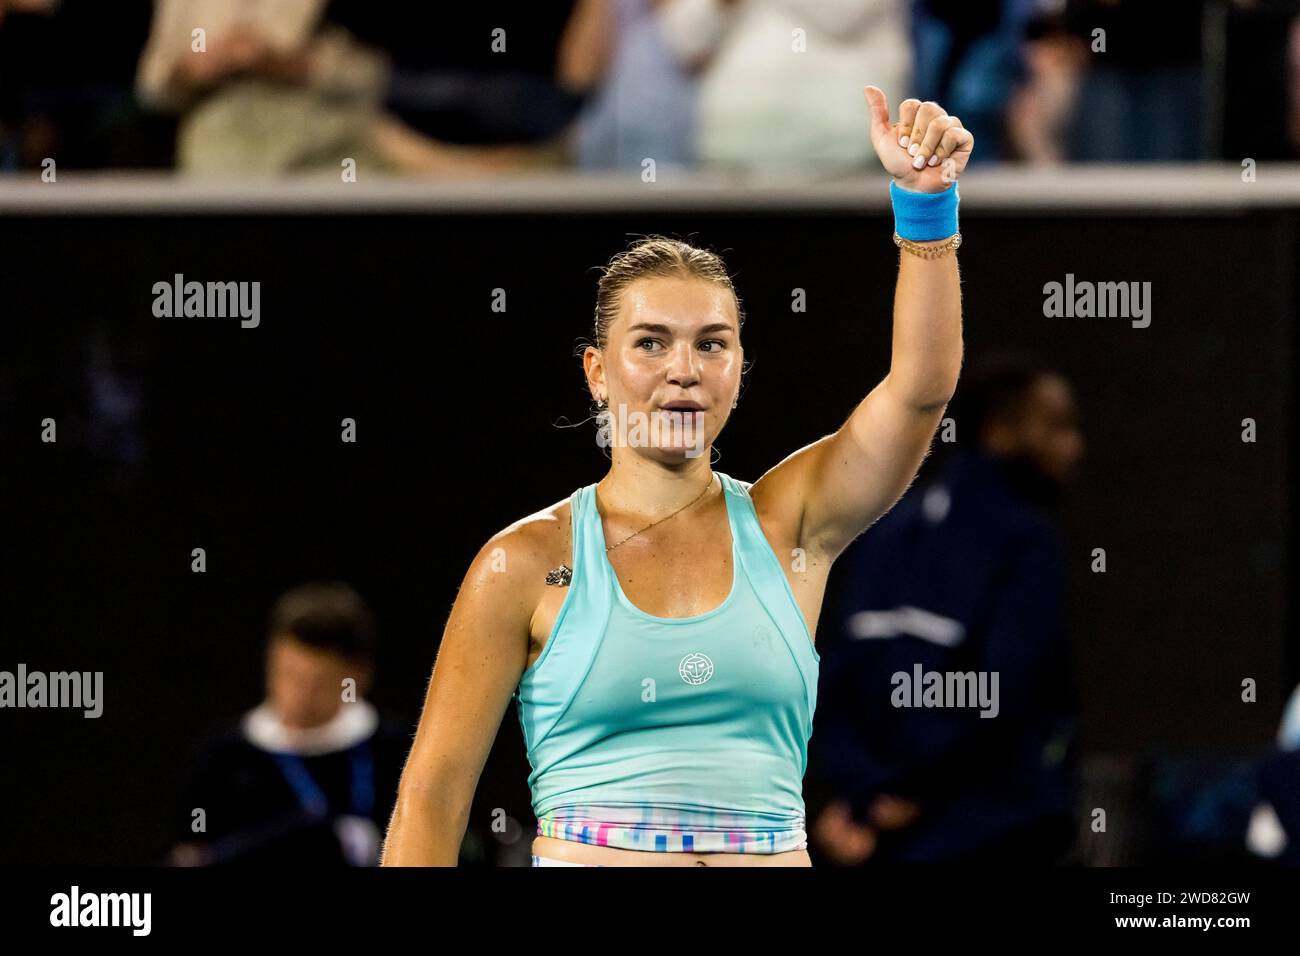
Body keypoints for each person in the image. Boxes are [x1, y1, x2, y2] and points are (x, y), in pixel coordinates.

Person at [381, 88, 972, 866]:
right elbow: (431, 799)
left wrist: (925, 208)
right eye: (651, 343)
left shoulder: (789, 524)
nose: (684, 371)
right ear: (597, 372)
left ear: (738, 370)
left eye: (712, 344)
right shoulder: (521, 565)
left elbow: (920, 389)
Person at [809, 352, 1085, 864]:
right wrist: (902, 792)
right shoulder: (1025, 543)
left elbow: (826, 684)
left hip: (877, 839)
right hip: (996, 834)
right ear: (1000, 431)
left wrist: (863, 795)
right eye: (1057, 426)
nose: (1074, 446)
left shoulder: (883, 532)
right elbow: (1004, 692)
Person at [168, 582, 408, 866]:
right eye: (289, 675)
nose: (299, 697)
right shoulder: (225, 757)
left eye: (317, 683)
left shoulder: (395, 748)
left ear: (357, 676)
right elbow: (192, 854)